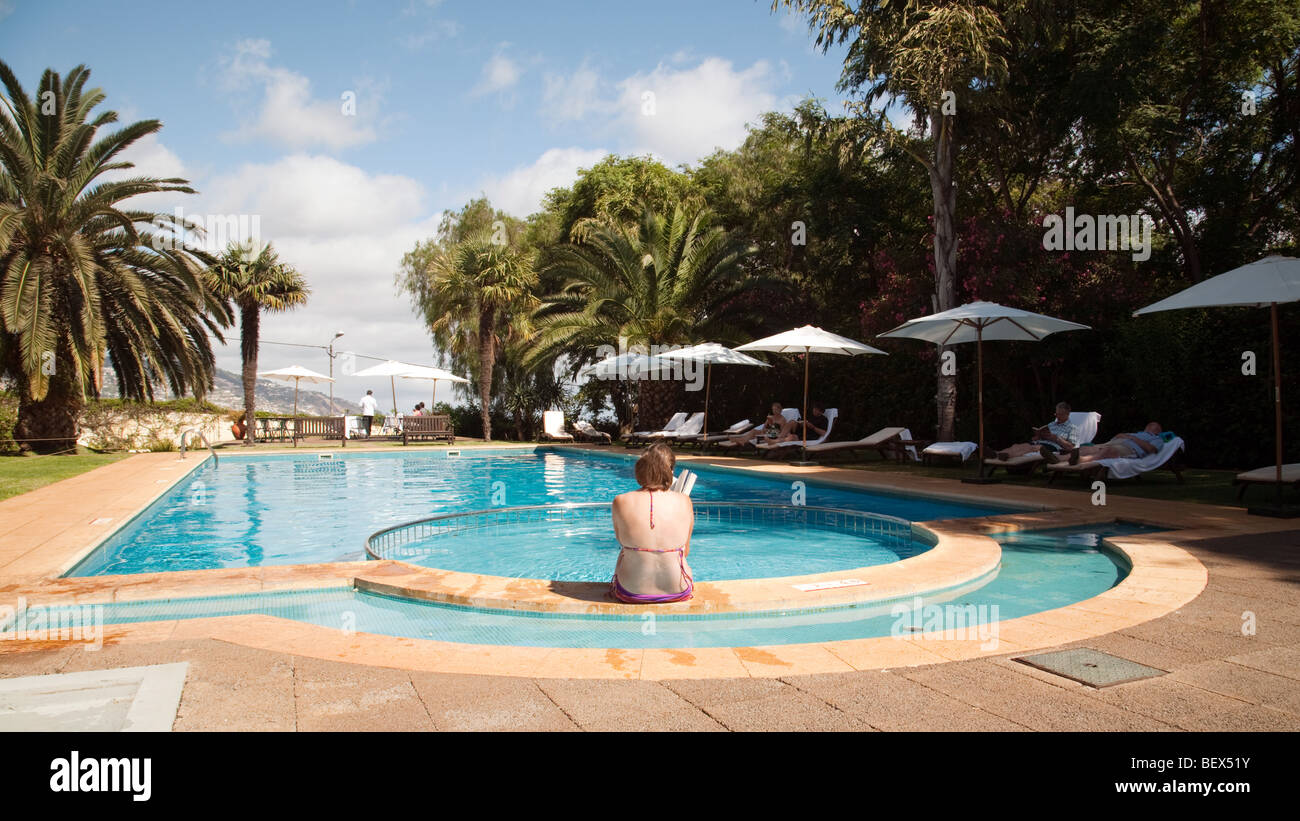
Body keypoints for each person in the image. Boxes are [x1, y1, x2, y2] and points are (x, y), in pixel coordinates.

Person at [610, 441, 694, 603]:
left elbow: (621, 541)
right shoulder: (685, 501)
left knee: (625, 551)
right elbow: (686, 551)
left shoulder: (620, 501)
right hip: (679, 591)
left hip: (630, 592)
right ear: (671, 471)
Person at [993, 402, 1078, 463]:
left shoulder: (1072, 428)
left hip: (1052, 448)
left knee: (1031, 448)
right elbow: (1043, 434)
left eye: (1060, 414)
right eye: (1056, 414)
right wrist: (1039, 435)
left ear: (1067, 414)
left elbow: (1071, 447)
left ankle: (1006, 455)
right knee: (1017, 445)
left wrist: (1057, 438)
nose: (1057, 416)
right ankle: (995, 454)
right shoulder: (1052, 424)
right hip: (1040, 442)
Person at [1066, 422, 1165, 465]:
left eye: (1154, 426)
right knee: (1086, 449)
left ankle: (1079, 461)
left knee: (1108, 451)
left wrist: (1131, 438)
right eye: (1149, 425)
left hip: (1129, 448)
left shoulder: (1157, 438)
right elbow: (1118, 436)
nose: (1151, 426)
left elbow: (1151, 449)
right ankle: (1056, 459)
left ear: (1158, 431)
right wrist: (1122, 435)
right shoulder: (1137, 433)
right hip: (1114, 442)